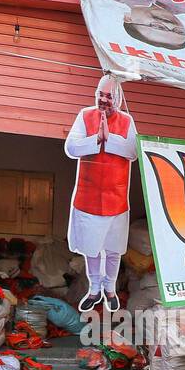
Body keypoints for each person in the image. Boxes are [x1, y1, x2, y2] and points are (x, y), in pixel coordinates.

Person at [65, 74, 139, 311]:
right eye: (101, 95)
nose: (104, 100)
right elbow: (71, 147)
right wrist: (96, 139)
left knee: (113, 249)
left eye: (109, 96)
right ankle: (94, 289)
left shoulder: (126, 120)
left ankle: (110, 289)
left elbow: (133, 151)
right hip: (88, 198)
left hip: (116, 199)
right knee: (92, 248)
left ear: (117, 98)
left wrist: (110, 139)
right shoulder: (85, 116)